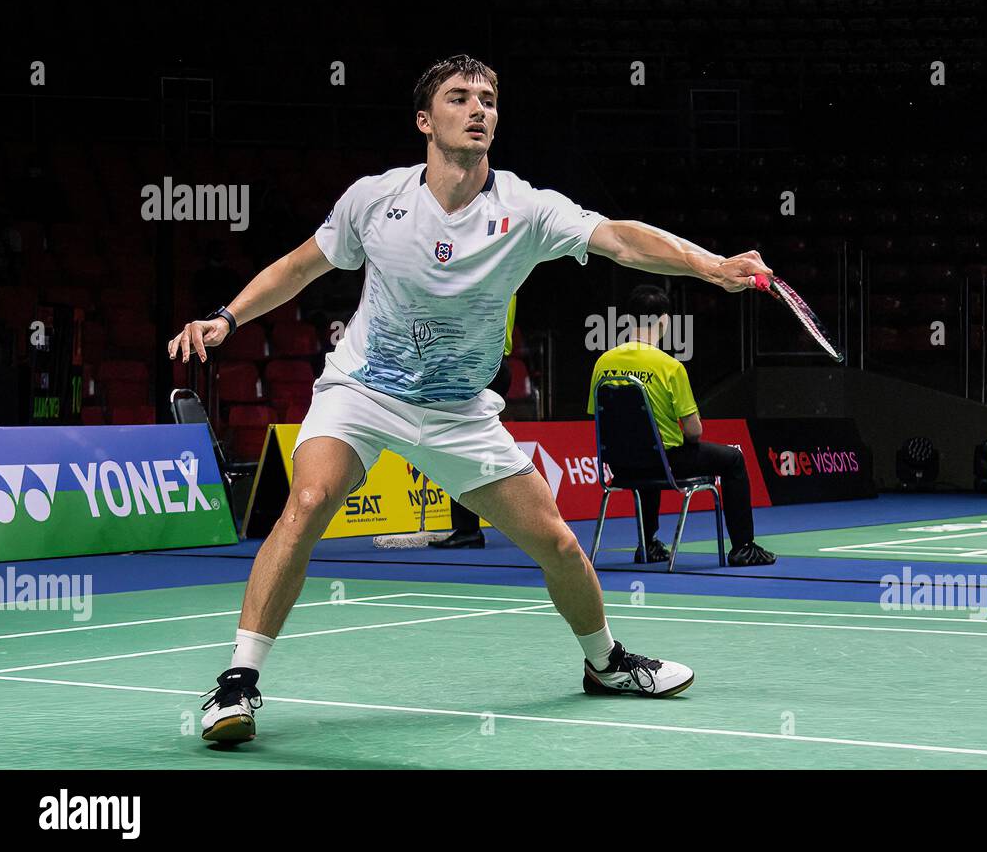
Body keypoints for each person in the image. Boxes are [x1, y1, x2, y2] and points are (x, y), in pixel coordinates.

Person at [167, 55, 773, 744]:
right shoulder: (376, 199)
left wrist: (711, 265)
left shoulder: (525, 209)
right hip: (364, 391)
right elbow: (301, 266)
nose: (479, 108)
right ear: (426, 120)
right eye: (459, 98)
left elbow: (619, 239)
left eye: (488, 98)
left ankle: (605, 662)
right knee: (305, 504)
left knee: (558, 544)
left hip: (459, 409)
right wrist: (228, 317)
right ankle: (238, 681)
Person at [587, 285, 777, 567]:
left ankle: (648, 544)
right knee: (733, 459)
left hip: (621, 466)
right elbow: (694, 431)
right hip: (667, 464)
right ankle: (743, 548)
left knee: (646, 448)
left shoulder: (603, 362)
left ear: (627, 319)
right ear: (664, 321)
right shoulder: (670, 366)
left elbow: (597, 417)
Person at [430, 294, 516, 549]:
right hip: (492, 364)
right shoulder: (507, 274)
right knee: (475, 445)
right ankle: (486, 524)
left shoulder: (490, 279)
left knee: (457, 444)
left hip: (480, 365)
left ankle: (468, 529)